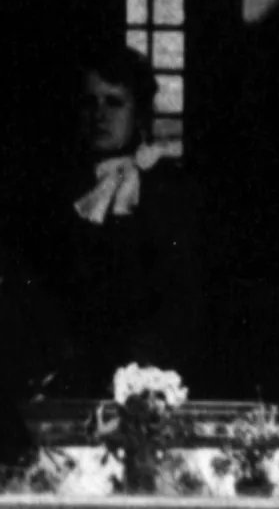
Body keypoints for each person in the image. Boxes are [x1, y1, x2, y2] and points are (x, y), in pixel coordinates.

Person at [47, 46, 204, 394]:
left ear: (140, 114)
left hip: (149, 377)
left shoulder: (167, 189)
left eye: (114, 102)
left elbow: (182, 298)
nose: (99, 115)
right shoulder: (62, 190)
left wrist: (139, 369)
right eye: (90, 102)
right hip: (71, 377)